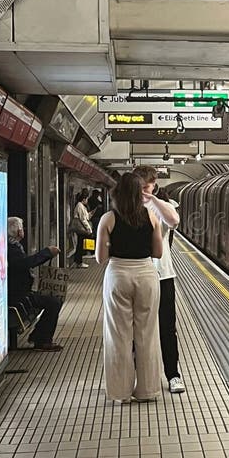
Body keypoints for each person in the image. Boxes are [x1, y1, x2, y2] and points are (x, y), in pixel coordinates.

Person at [95, 173, 164, 403]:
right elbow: (158, 253)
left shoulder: (108, 218)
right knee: (147, 333)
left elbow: (100, 258)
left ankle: (120, 393)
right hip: (146, 275)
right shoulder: (152, 217)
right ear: (139, 194)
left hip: (118, 275)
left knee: (118, 335)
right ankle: (148, 391)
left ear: (116, 193)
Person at [133, 165, 185, 394]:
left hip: (163, 275)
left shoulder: (163, 205)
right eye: (140, 187)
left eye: (148, 186)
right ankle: (138, 375)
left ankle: (173, 375)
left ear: (154, 185)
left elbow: (173, 220)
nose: (144, 191)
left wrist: (152, 199)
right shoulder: (128, 207)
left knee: (167, 327)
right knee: (137, 328)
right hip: (137, 275)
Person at [7, 217, 63, 352]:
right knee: (54, 303)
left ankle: (39, 337)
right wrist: (47, 253)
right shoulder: (11, 248)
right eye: (21, 228)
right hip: (19, 296)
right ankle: (42, 339)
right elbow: (26, 263)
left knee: (52, 301)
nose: (23, 231)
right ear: (18, 231)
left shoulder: (12, 245)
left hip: (20, 293)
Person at [71, 189, 92, 268]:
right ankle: (79, 262)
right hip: (80, 228)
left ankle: (78, 261)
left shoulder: (81, 206)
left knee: (80, 245)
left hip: (81, 228)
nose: (87, 201)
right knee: (80, 245)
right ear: (84, 199)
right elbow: (83, 219)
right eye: (87, 199)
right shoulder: (80, 206)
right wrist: (89, 229)